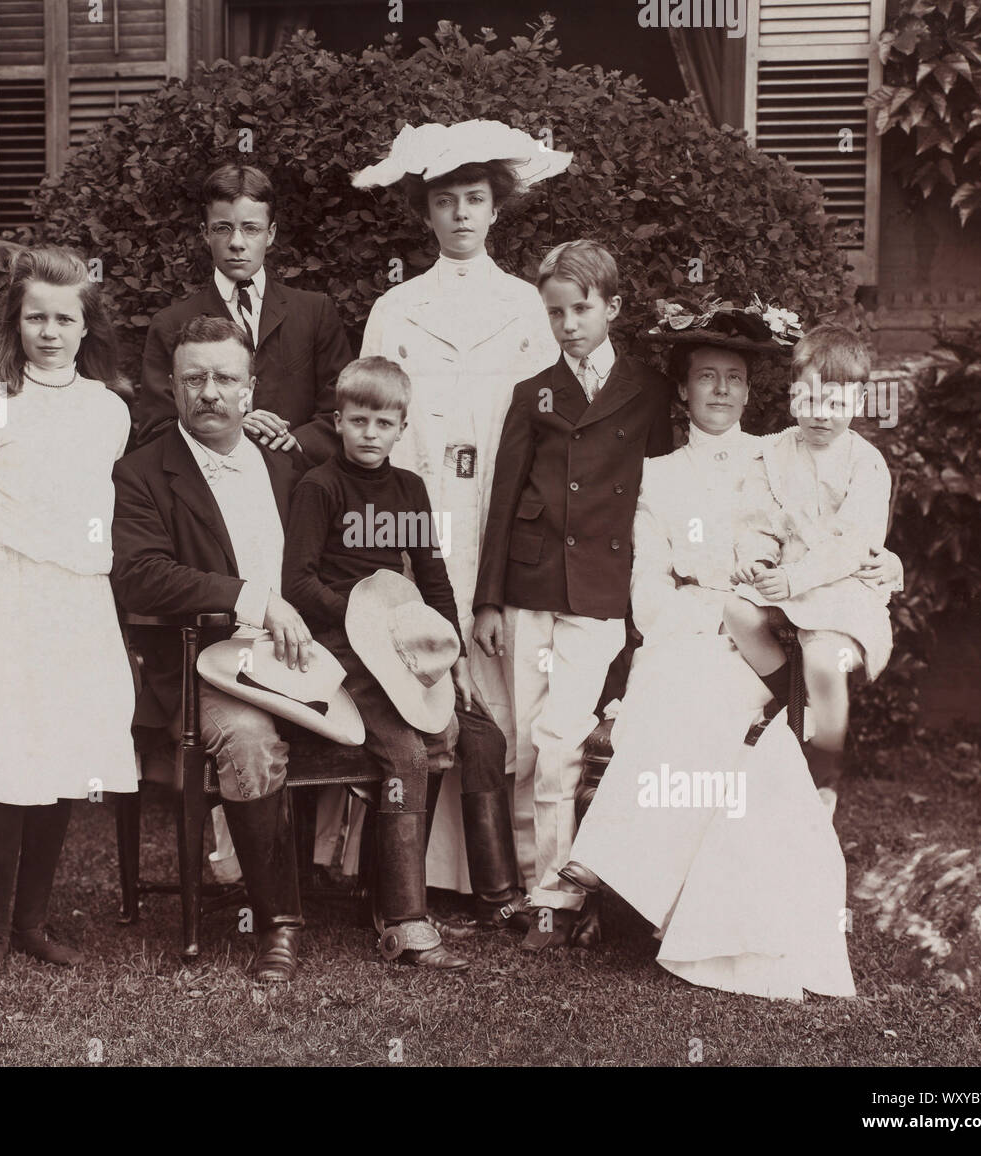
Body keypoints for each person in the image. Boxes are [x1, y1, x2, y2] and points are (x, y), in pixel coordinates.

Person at [557, 301, 903, 1000]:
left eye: (734, 378)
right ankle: (644, 881)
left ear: (752, 391)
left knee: (718, 702)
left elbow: (838, 540)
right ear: (681, 391)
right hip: (696, 628)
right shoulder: (658, 474)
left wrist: (886, 562)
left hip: (776, 629)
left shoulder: (779, 448)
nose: (719, 390)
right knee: (688, 690)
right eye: (705, 377)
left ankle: (625, 864)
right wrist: (710, 604)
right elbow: (650, 588)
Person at [353, 120, 569, 898]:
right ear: (427, 213)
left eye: (474, 199)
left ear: (496, 207)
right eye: (445, 202)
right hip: (420, 514)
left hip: (499, 516)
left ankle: (506, 870)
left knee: (503, 685)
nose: (461, 215)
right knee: (420, 669)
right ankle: (420, 876)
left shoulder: (525, 308)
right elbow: (375, 424)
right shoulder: (396, 308)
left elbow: (548, 432)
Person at [0, 245, 138, 978]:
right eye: (36, 317)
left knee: (63, 753)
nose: (50, 331)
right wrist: (12, 556)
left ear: (87, 326)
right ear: (16, 323)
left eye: (65, 319)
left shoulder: (108, 411)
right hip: (5, 592)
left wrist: (64, 562)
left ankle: (34, 921)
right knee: (3, 754)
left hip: (77, 597)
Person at [472, 240, 673, 950]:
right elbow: (503, 499)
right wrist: (488, 600)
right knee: (527, 740)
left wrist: (659, 596)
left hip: (600, 588)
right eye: (554, 311)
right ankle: (537, 886)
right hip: (530, 585)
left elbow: (661, 494)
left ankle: (558, 893)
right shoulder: (535, 393)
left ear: (612, 307)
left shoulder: (648, 390)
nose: (567, 323)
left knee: (562, 740)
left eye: (580, 308)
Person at [111, 314, 312, 984]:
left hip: (302, 661)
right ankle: (279, 924)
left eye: (226, 377)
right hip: (204, 671)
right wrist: (252, 597)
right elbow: (141, 573)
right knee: (252, 743)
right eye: (194, 377)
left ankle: (397, 909)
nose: (210, 391)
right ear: (170, 387)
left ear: (250, 388)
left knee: (421, 723)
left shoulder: (286, 464)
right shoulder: (143, 474)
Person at [282, 356, 476, 969]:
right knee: (406, 752)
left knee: (448, 733)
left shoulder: (410, 489)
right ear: (338, 421)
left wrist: (452, 653)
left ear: (401, 427)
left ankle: (384, 892)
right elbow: (298, 582)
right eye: (358, 420)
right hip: (339, 647)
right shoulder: (320, 486)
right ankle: (405, 922)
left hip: (397, 642)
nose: (370, 432)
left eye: (383, 422)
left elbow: (435, 578)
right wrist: (359, 618)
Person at [725, 324, 895, 806]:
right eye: (811, 399)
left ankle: (825, 770)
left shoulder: (866, 463)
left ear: (858, 403)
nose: (822, 414)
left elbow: (853, 543)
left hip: (840, 586)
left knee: (823, 659)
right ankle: (788, 701)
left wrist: (794, 577)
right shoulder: (773, 453)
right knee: (737, 612)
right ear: (793, 395)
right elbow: (756, 521)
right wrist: (756, 560)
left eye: (837, 404)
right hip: (785, 583)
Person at [138, 164, 353, 463]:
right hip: (210, 489)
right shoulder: (171, 324)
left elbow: (344, 408)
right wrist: (231, 432)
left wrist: (293, 442)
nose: (236, 243)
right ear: (205, 233)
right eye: (223, 228)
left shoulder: (314, 312)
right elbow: (155, 429)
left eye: (251, 228)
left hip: (300, 484)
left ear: (271, 233)